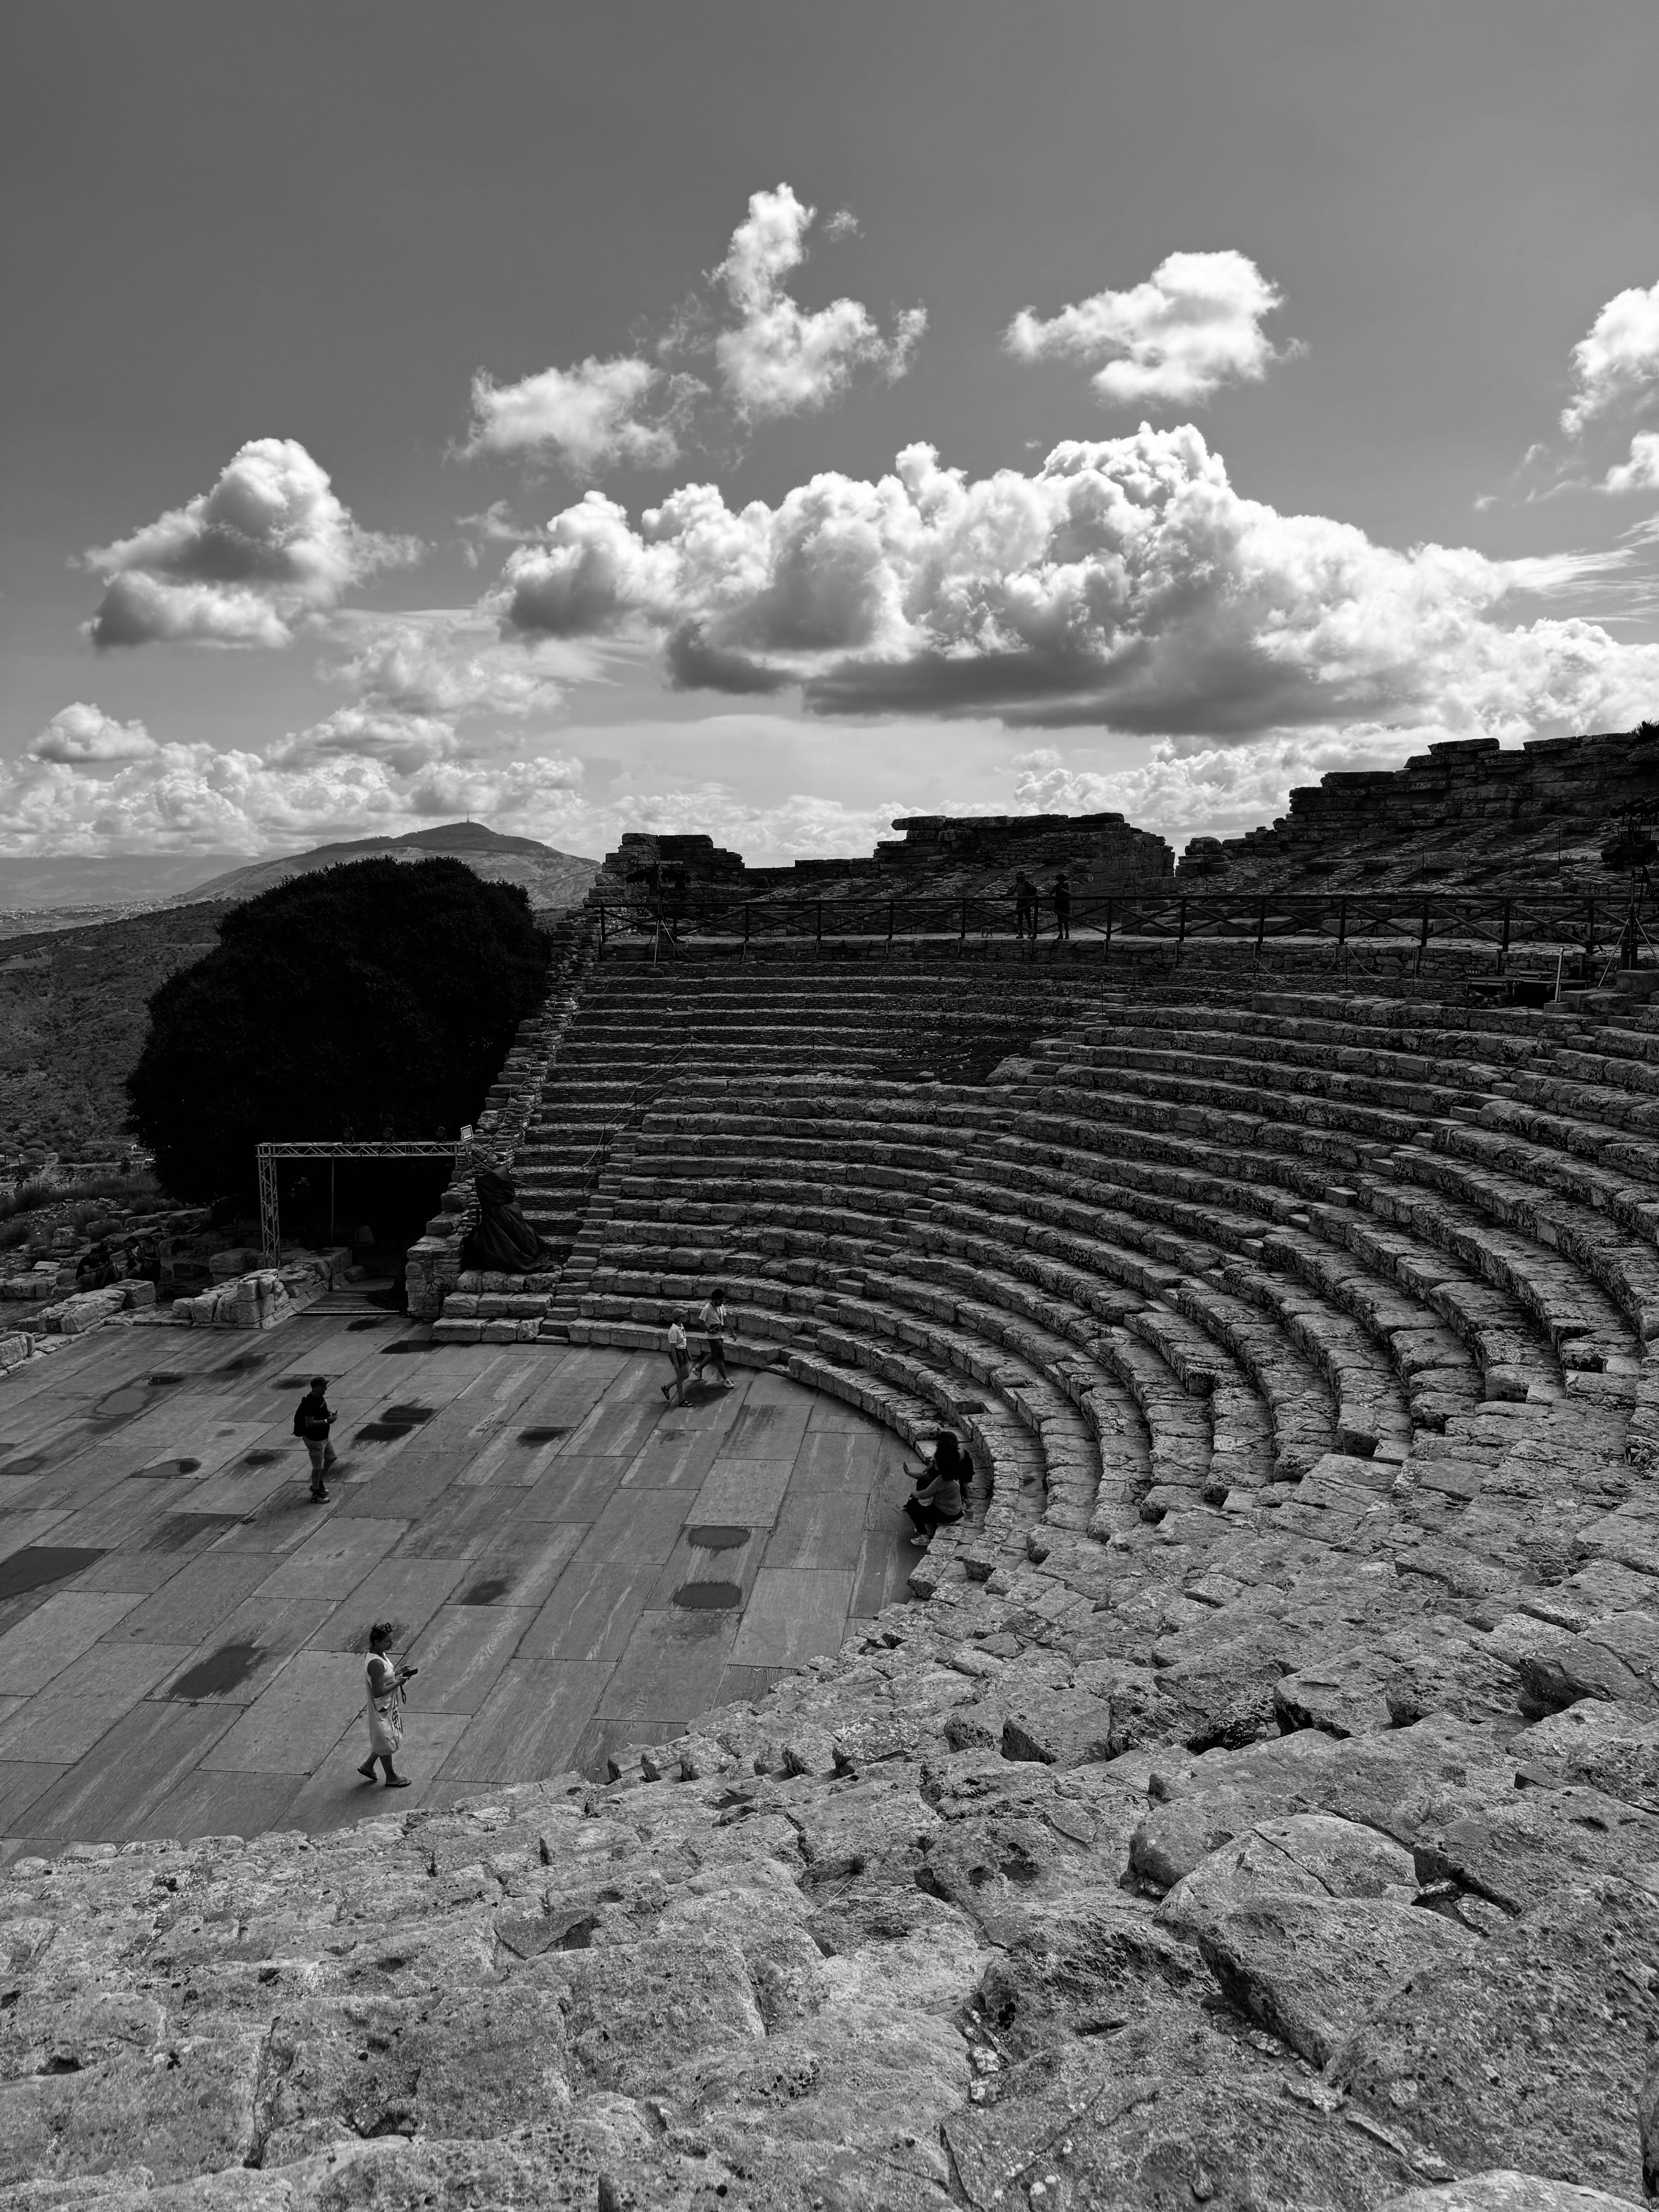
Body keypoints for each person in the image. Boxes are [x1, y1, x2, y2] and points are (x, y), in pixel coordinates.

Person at [357, 1622, 416, 1788]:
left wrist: (397, 1672)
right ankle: (391, 1777)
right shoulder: (375, 1663)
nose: (392, 1644)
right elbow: (378, 1691)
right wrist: (398, 1682)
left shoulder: (380, 1655)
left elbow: (384, 1676)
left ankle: (368, 1766)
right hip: (382, 1708)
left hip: (388, 1706)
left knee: (384, 1739)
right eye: (387, 1642)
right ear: (377, 1643)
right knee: (386, 1740)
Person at [902, 1430, 967, 1547]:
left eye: (936, 1462)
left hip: (948, 1514)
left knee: (913, 1506)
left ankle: (925, 1536)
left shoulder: (941, 1480)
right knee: (921, 1499)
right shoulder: (953, 1469)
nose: (934, 1463)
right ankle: (930, 1527)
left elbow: (925, 1494)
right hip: (954, 1509)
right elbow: (964, 1483)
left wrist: (915, 1494)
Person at [292, 1375, 336, 1501]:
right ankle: (316, 1494)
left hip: (325, 1436)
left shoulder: (319, 1398)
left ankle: (318, 1483)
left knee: (332, 1458)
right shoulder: (310, 1403)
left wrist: (329, 1414)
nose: (326, 1389)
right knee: (318, 1467)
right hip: (315, 1440)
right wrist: (328, 1421)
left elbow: (322, 1410)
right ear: (316, 1388)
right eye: (324, 1387)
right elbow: (309, 1423)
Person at [693, 1286, 733, 1389]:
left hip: (720, 1334)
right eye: (721, 1300)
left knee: (714, 1354)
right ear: (715, 1300)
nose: (722, 1302)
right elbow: (700, 1323)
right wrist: (709, 1330)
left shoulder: (721, 1306)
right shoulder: (707, 1309)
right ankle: (726, 1380)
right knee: (720, 1356)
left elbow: (726, 1319)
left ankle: (698, 1369)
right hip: (712, 1336)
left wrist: (733, 1332)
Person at [660, 1310, 692, 1406]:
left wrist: (688, 1352)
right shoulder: (674, 1330)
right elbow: (673, 1347)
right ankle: (682, 1400)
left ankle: (667, 1387)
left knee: (686, 1375)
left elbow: (684, 1340)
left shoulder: (681, 1326)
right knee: (680, 1377)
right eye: (683, 1315)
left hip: (684, 1351)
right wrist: (676, 1362)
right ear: (678, 1317)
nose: (685, 1317)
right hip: (678, 1354)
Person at [1013, 872, 1037, 942]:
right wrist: (1004, 896)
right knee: (1020, 919)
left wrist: (1036, 895)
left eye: (1018, 877)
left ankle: (1030, 933)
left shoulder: (1028, 884)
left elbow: (1036, 890)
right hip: (1019, 904)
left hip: (1027, 904)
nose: (1017, 879)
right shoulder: (1017, 885)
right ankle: (1020, 933)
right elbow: (1012, 892)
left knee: (1028, 919)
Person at [1051, 871, 1072, 942]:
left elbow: (1070, 894)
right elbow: (1051, 893)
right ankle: (1060, 934)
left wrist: (1064, 891)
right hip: (1059, 904)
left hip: (1065, 904)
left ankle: (1067, 934)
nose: (1060, 880)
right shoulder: (1056, 886)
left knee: (1066, 920)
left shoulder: (1067, 885)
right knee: (1060, 920)